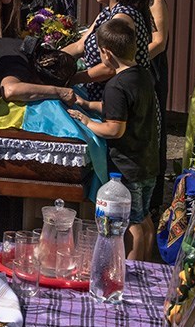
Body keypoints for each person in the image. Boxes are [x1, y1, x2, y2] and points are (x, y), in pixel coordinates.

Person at [68, 19, 160, 260]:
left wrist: (87, 122)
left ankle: (132, 268)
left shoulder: (115, 85)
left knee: (131, 223)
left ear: (106, 53)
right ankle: (147, 264)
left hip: (127, 165)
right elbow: (120, 109)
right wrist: (88, 105)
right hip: (147, 160)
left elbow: (114, 129)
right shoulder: (142, 75)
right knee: (144, 217)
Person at [62, 0, 151, 102]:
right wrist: (51, 58)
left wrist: (73, 79)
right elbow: (79, 46)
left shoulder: (123, 17)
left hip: (121, 100)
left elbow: (111, 66)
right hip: (102, 96)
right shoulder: (108, 13)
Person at [126, 0, 171, 207]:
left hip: (149, 69)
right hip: (129, 68)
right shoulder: (125, 0)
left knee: (153, 127)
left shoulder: (153, 0)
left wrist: (134, 59)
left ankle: (153, 199)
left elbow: (160, 41)